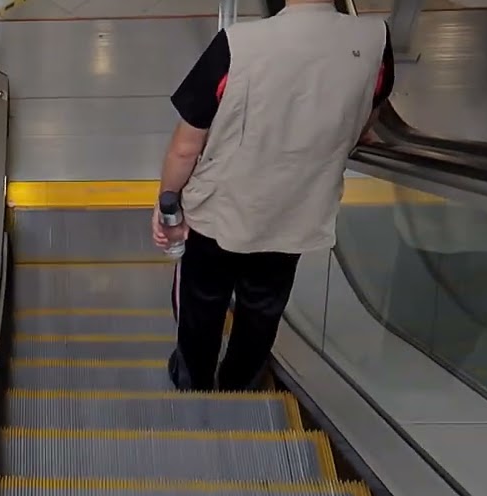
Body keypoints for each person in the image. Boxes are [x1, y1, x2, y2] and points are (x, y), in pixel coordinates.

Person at [153, 1, 396, 391]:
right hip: (299, 208)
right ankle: (241, 382)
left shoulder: (237, 44)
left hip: (220, 212)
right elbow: (371, 106)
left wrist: (167, 200)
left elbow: (186, 148)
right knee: (263, 304)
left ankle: (193, 379)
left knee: (201, 301)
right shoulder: (375, 38)